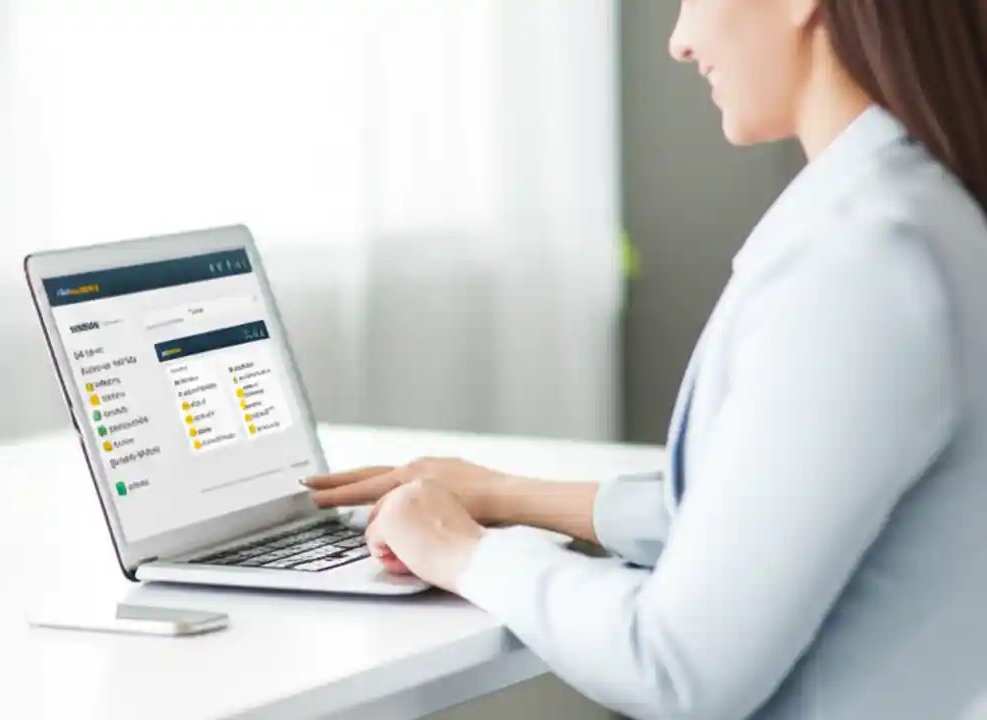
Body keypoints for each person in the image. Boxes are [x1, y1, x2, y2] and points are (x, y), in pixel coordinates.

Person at [306, 2, 987, 718]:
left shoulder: (861, 264)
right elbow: (755, 518)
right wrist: (507, 494)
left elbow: (675, 666)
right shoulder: (917, 214)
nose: (679, 41)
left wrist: (462, 552)